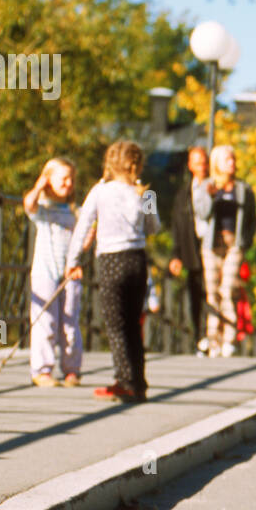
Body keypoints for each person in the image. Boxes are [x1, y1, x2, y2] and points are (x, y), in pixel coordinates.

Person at [65, 141, 161, 402]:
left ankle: (124, 381)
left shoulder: (100, 191)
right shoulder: (145, 193)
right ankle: (138, 382)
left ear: (108, 164)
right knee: (133, 323)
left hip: (110, 261)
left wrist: (72, 261)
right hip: (137, 260)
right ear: (137, 165)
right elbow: (154, 228)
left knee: (115, 324)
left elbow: (83, 225)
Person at [193, 144, 256, 357]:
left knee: (228, 290)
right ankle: (213, 339)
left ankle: (229, 338)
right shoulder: (207, 186)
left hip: (233, 245)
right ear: (217, 164)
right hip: (212, 245)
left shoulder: (243, 189)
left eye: (233, 159)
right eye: (227, 159)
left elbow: (252, 219)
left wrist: (244, 241)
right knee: (212, 293)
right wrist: (210, 196)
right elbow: (201, 214)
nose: (232, 163)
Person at [22, 158, 82, 387]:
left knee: (70, 321)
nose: (68, 184)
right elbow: (28, 204)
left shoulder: (76, 212)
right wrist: (39, 186)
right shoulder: (43, 210)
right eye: (63, 179)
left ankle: (71, 369)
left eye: (71, 180)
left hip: (70, 273)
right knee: (44, 320)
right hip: (45, 271)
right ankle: (42, 370)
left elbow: (84, 240)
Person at [168, 146, 211, 355]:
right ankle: (199, 338)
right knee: (195, 295)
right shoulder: (183, 194)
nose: (202, 166)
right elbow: (177, 225)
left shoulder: (218, 187)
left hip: (214, 249)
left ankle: (216, 337)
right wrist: (175, 255)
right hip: (192, 252)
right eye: (197, 162)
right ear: (190, 166)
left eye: (205, 161)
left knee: (215, 293)